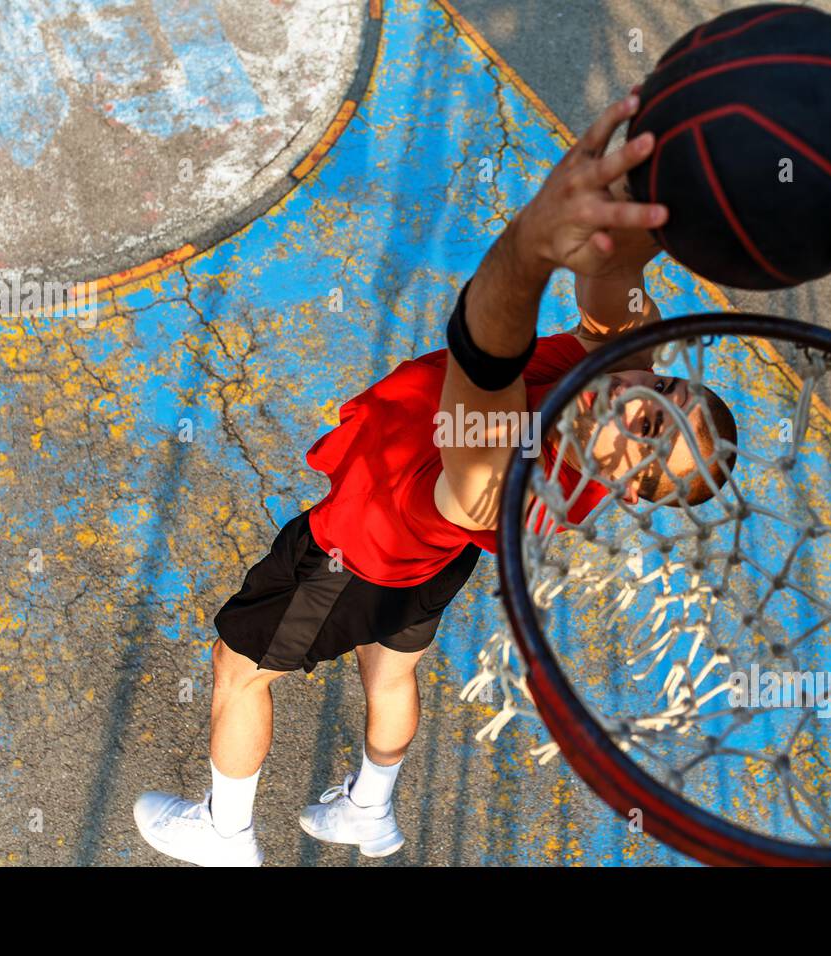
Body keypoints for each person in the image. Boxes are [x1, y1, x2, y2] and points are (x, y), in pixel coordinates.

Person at [132, 92, 737, 865]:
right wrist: (635, 220)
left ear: (630, 487)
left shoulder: (509, 475)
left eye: (652, 430)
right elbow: (622, 309)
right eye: (667, 394)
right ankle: (368, 812)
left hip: (350, 558)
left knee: (239, 671)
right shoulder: (610, 389)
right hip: (432, 565)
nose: (644, 398)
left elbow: (486, 362)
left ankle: (225, 832)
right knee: (390, 677)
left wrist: (527, 249)